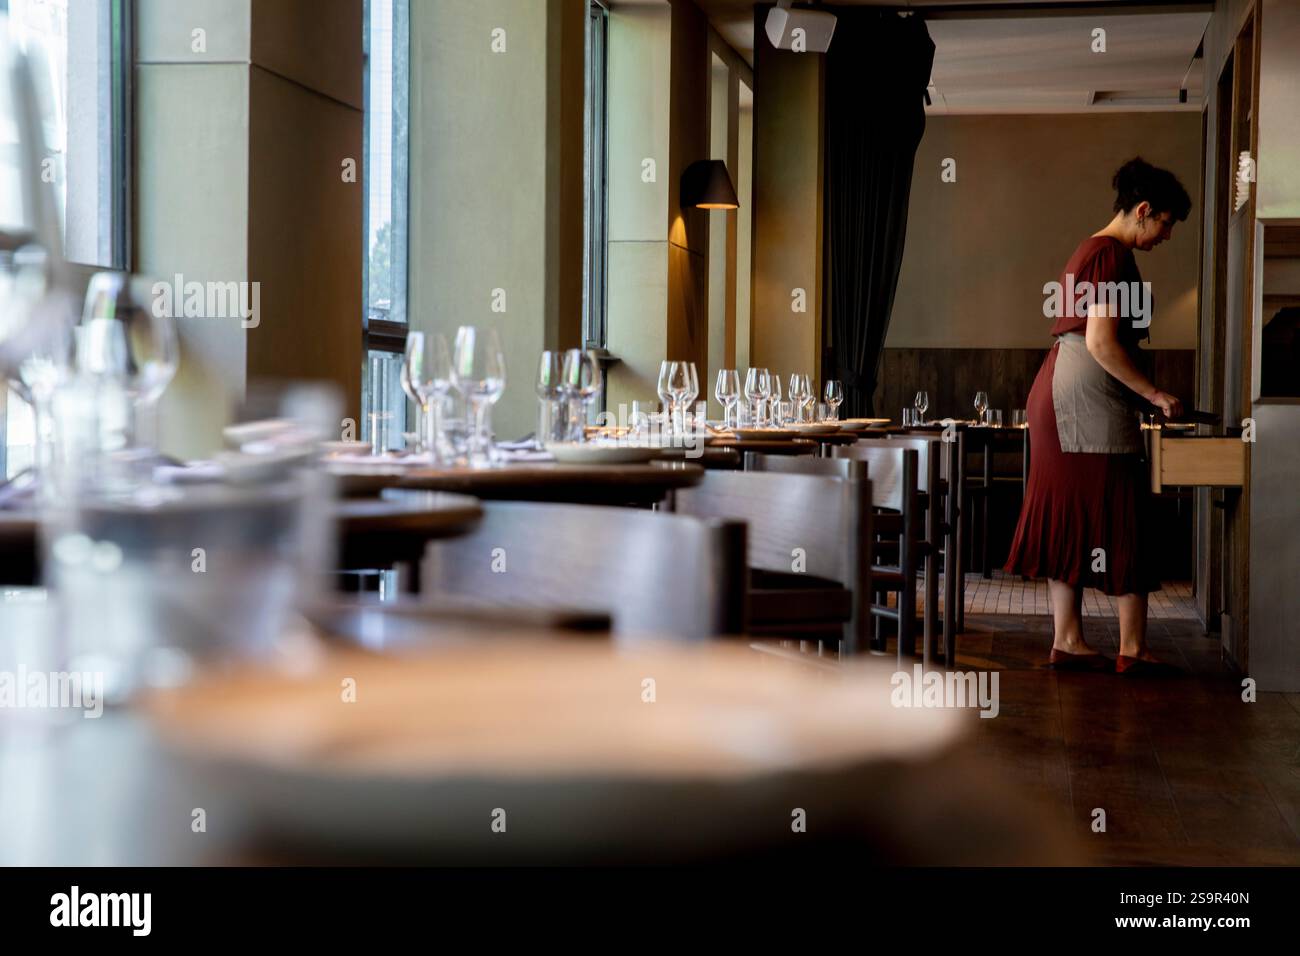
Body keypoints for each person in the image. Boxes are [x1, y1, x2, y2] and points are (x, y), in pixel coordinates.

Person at [1005, 157, 1190, 676]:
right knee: (1122, 509)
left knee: (1069, 513)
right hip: (1082, 399)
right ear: (1144, 210)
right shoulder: (1109, 256)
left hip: (1061, 392)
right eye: (1166, 224)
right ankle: (1131, 648)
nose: (1166, 235)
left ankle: (1068, 640)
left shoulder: (1090, 250)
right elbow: (1102, 343)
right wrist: (1154, 393)